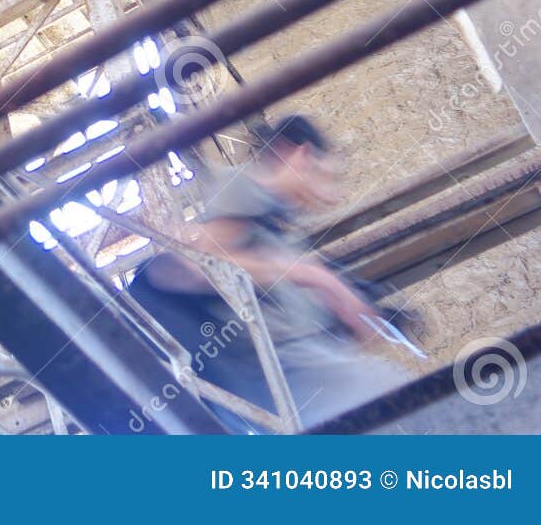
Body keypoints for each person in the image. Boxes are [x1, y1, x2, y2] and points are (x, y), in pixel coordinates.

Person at [127, 113, 412, 430]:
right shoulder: (245, 187)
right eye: (323, 176)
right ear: (300, 154)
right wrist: (319, 279)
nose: (328, 195)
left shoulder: (278, 226)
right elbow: (200, 266)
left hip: (286, 375)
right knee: (397, 400)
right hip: (271, 369)